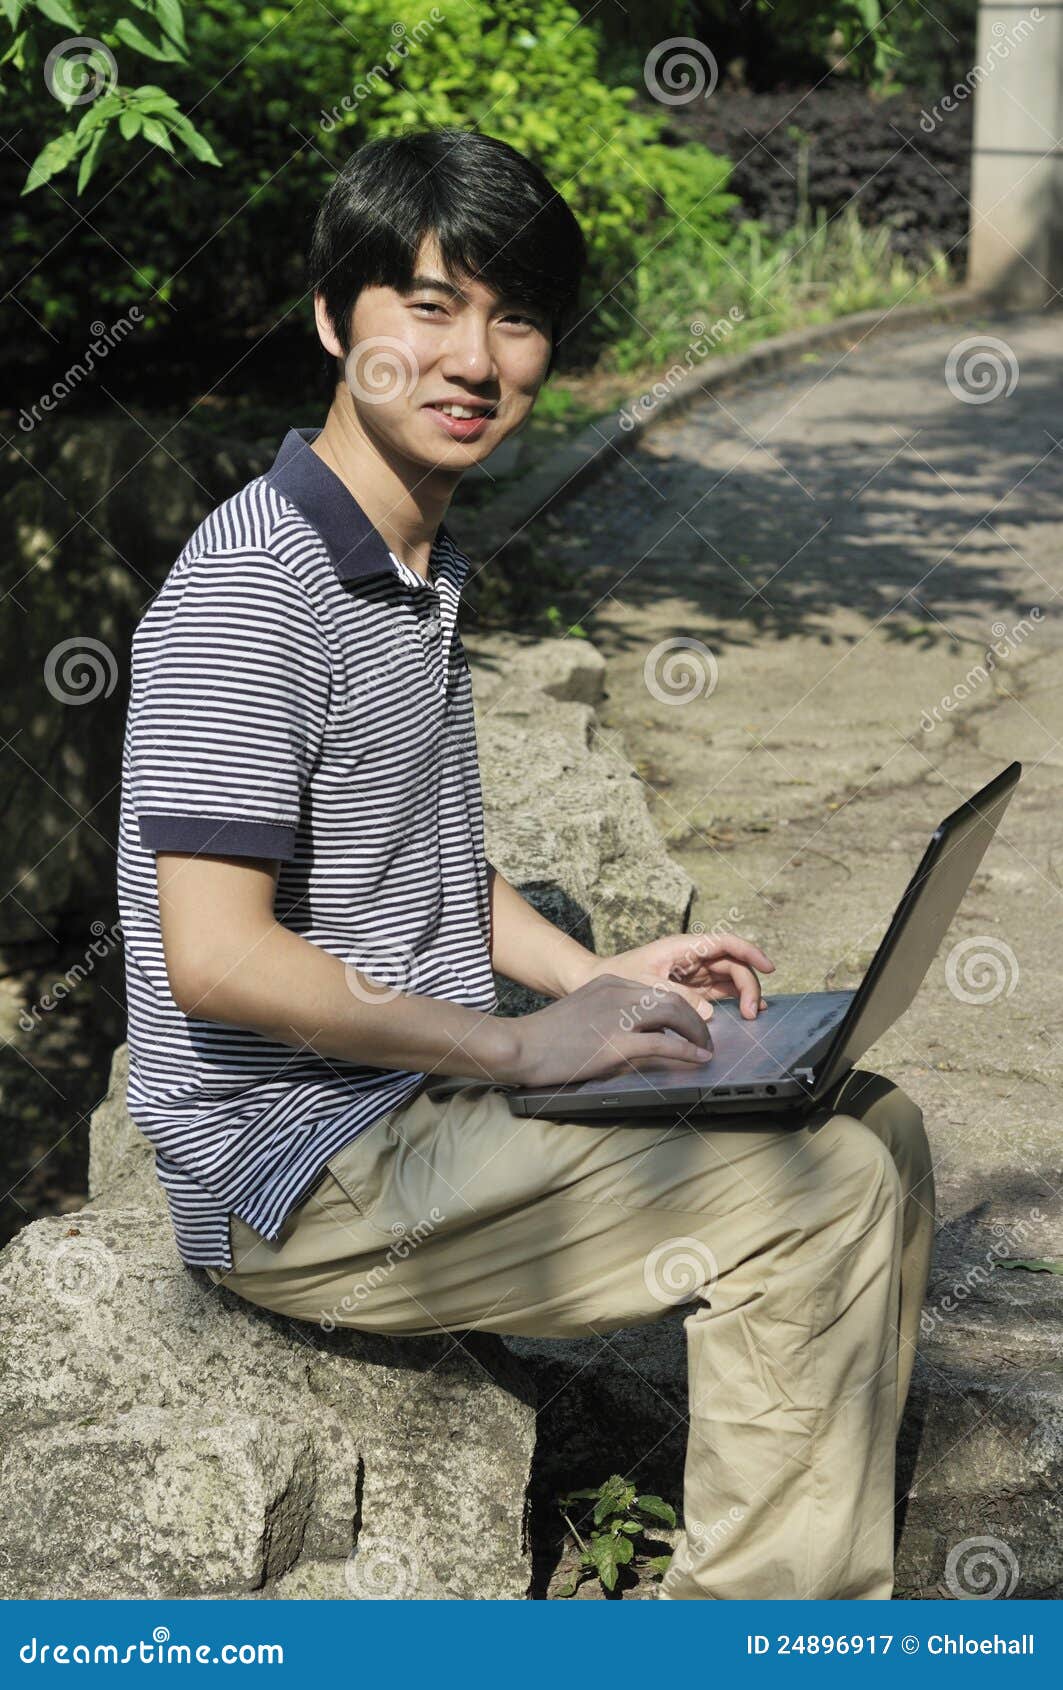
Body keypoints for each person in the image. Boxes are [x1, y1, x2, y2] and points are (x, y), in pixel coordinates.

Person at [117, 126, 935, 1600]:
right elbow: (216, 954)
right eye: (430, 306)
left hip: (406, 1107)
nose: (476, 356)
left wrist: (595, 973)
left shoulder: (414, 561)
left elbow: (416, 856)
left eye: (516, 315)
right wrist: (515, 1040)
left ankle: (802, 1565)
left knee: (873, 1116)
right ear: (333, 319)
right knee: (817, 1192)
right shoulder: (255, 585)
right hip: (299, 1171)